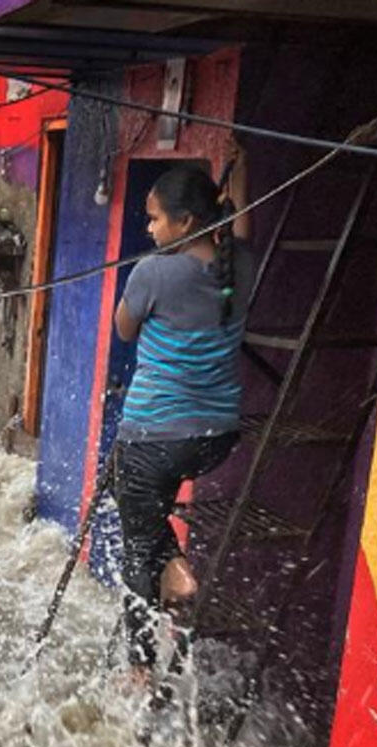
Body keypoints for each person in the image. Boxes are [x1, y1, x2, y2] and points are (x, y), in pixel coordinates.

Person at [111, 148, 253, 687]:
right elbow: (242, 226)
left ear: (186, 221)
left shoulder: (152, 272)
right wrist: (243, 167)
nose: (148, 229)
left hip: (155, 436)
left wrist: (140, 288)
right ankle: (173, 566)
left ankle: (140, 667)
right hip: (217, 436)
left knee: (137, 547)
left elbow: (124, 329)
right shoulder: (239, 264)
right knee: (133, 496)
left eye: (154, 219)